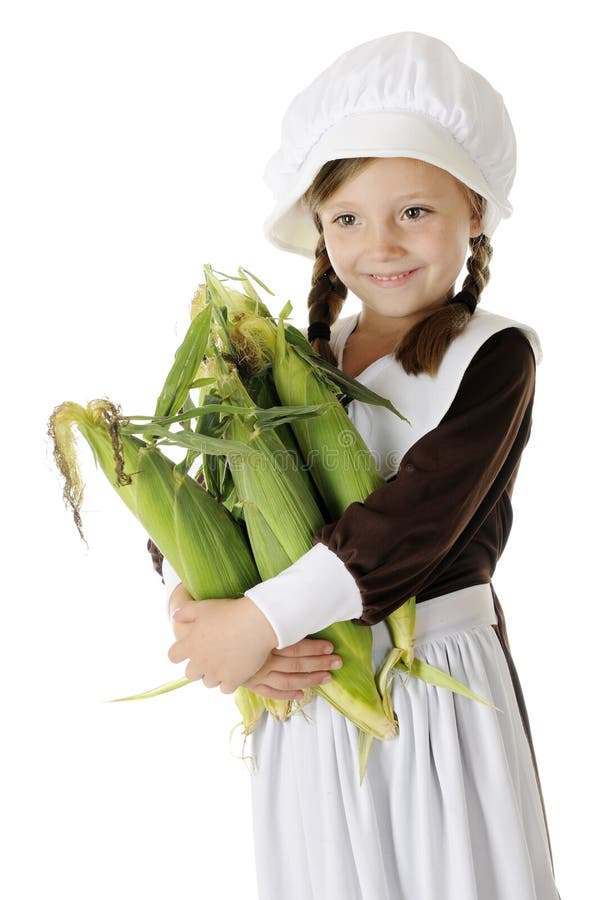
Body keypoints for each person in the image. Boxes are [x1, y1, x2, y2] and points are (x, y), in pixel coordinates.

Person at [157, 31, 562, 900]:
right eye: (347, 218)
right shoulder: (287, 359)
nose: (380, 242)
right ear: (318, 227)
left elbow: (406, 528)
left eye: (414, 210)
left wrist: (258, 623)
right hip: (308, 690)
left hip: (437, 695)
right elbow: (219, 505)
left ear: (475, 212)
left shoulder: (493, 359)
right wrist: (203, 607)